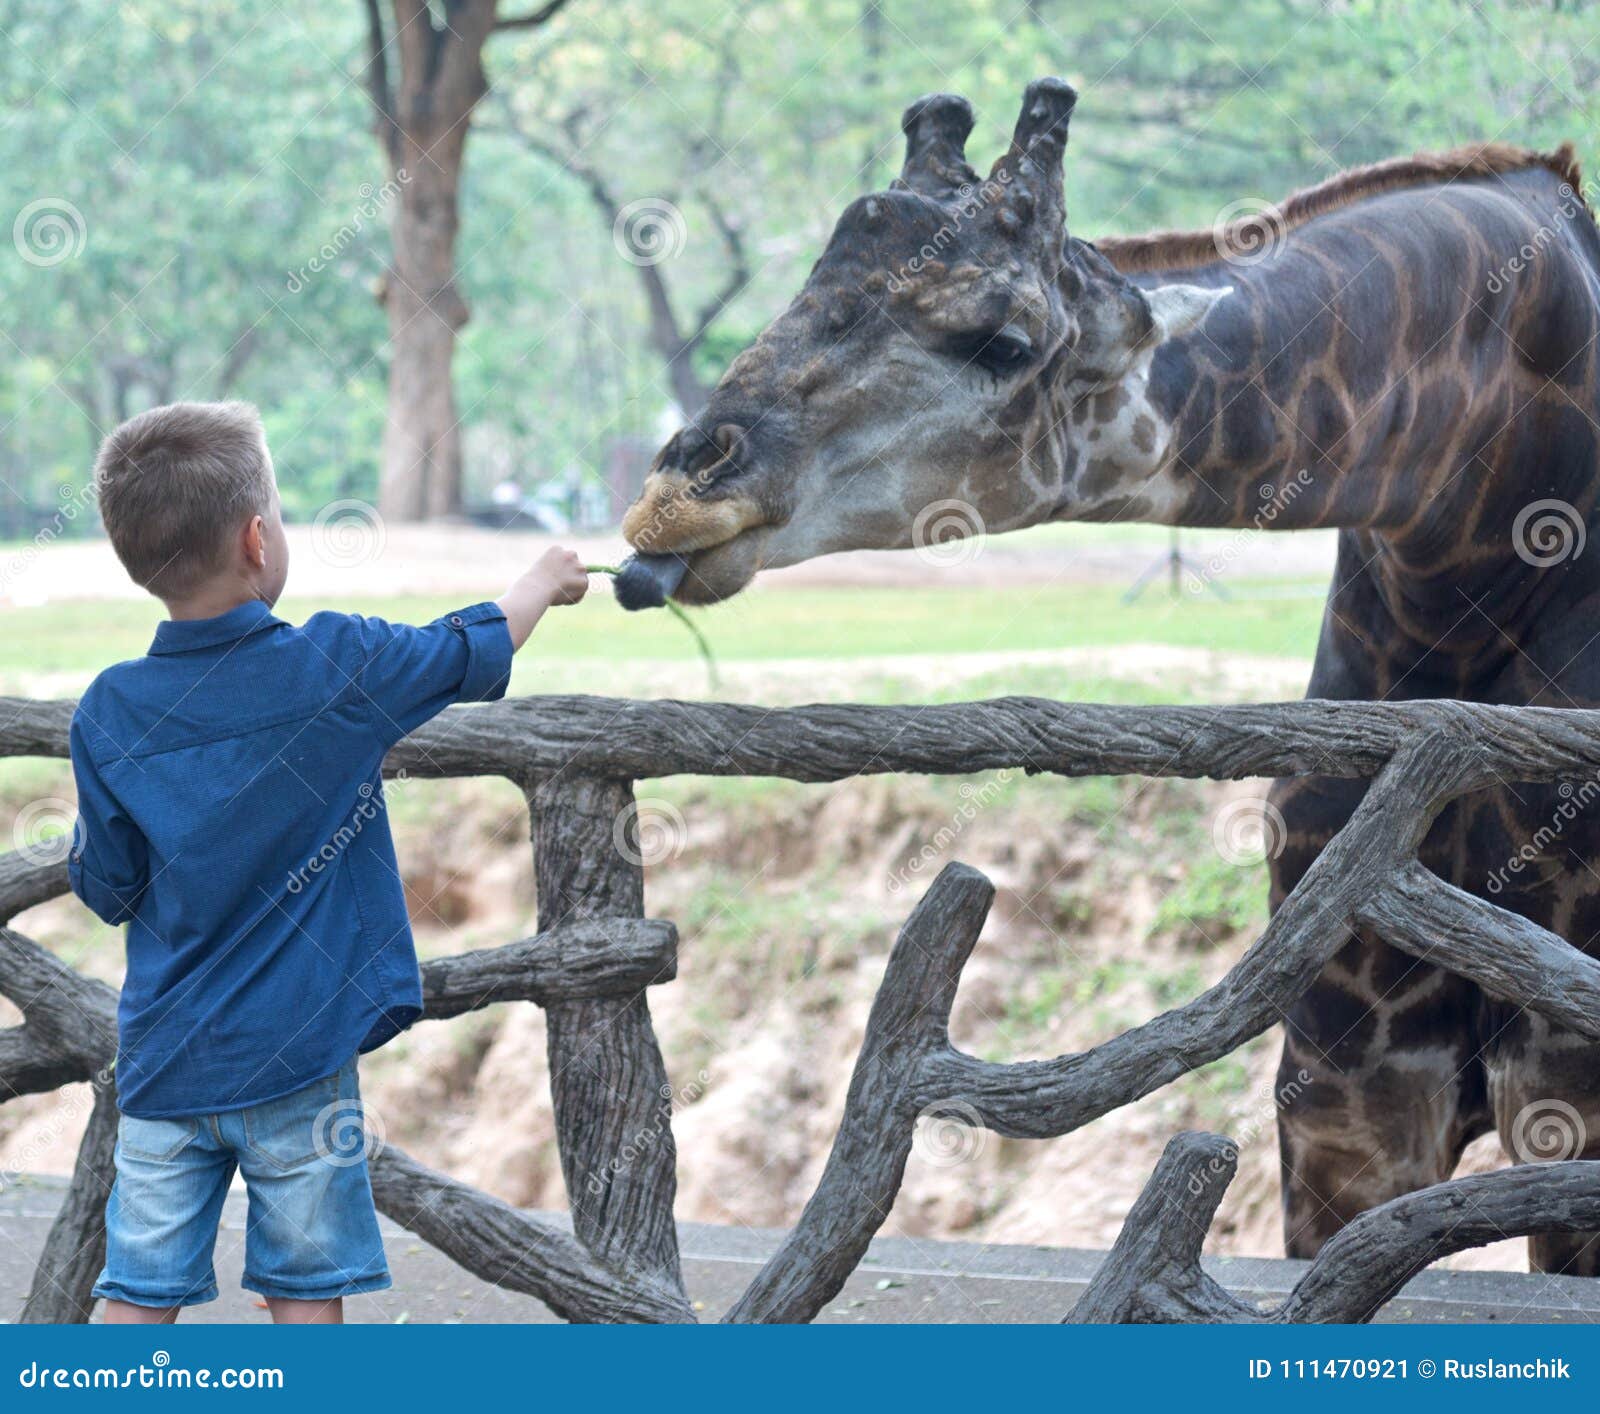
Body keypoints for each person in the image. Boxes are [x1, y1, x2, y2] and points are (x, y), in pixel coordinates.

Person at [68, 400, 588, 1323]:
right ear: (259, 539)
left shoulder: (108, 711)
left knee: (137, 1297)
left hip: (165, 1063)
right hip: (298, 1063)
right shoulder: (337, 666)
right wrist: (542, 579)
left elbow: (106, 888)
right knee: (307, 1295)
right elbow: (465, 649)